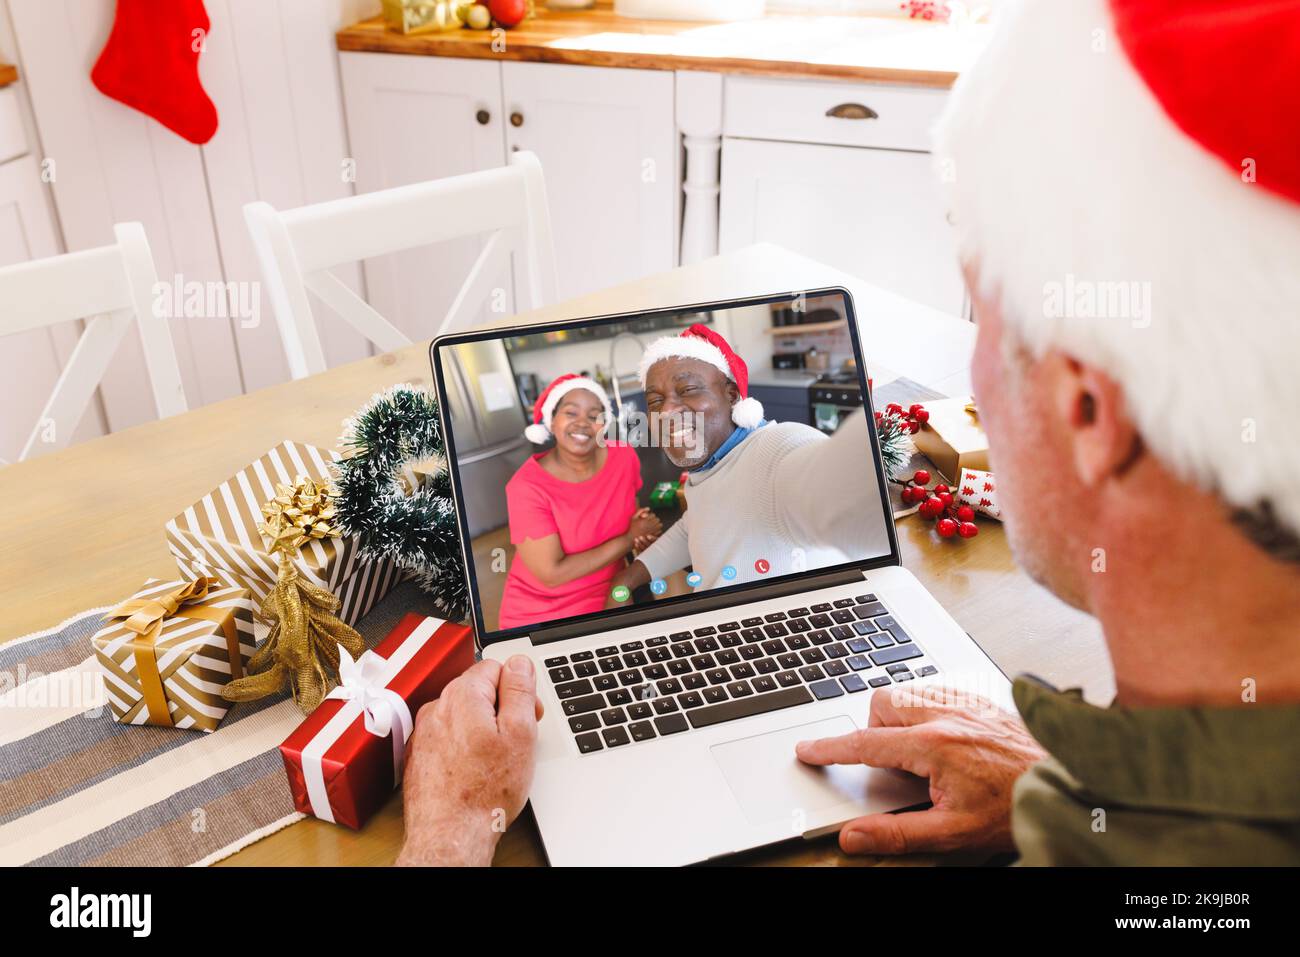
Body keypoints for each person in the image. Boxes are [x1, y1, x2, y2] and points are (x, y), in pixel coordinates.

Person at [397, 0, 1300, 866]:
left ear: (1090, 413)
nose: (970, 373)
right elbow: (673, 546)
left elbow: (822, 484)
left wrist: (448, 838)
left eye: (981, 320)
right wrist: (1063, 783)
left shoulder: (778, 466)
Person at [607, 322, 891, 598]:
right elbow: (694, 524)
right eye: (655, 401)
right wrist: (628, 577)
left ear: (731, 394)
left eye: (688, 390)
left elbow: (832, 494)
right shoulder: (709, 469)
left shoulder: (777, 447)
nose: (667, 410)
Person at [496, 373, 661, 630]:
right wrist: (630, 538)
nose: (583, 423)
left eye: (595, 415)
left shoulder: (623, 456)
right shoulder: (526, 488)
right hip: (544, 616)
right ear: (551, 421)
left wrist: (640, 531)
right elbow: (552, 574)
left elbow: (631, 514)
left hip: (610, 592)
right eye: (571, 413)